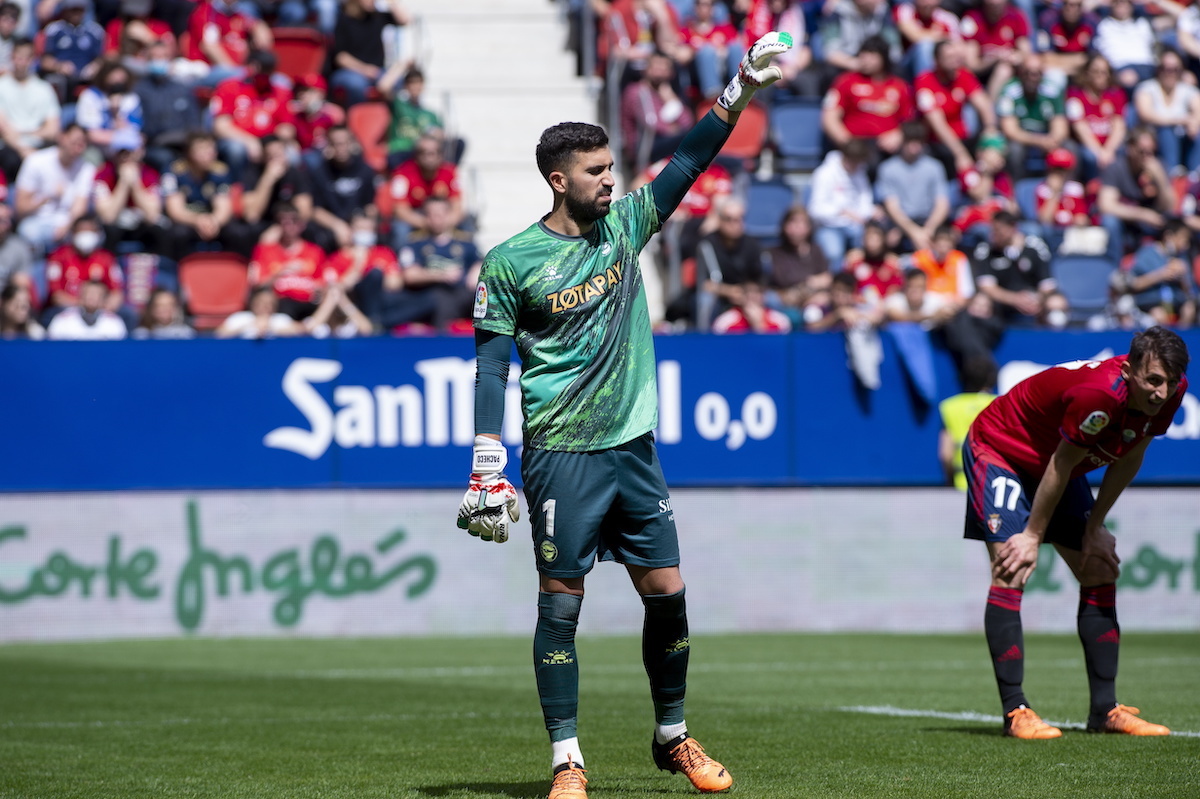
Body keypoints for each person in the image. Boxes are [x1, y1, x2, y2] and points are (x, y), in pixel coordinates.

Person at [457, 31, 792, 799]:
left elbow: (689, 161)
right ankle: (567, 760)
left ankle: (672, 735)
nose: (610, 180)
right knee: (561, 605)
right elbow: (491, 363)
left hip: (633, 448)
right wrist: (485, 456)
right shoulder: (510, 262)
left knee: (667, 591)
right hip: (561, 453)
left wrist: (738, 89)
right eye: (595, 171)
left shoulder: (627, 224)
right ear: (558, 179)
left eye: (611, 168)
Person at [963, 326, 1188, 739]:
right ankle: (1016, 712)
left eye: (1171, 382)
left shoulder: (1171, 393)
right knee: (1012, 567)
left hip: (1054, 462)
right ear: (1130, 370)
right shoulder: (1099, 395)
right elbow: (1062, 464)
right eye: (1154, 380)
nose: (1161, 392)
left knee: (1098, 566)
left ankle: (1105, 711)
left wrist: (1095, 526)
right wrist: (1032, 536)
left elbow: (1130, 456)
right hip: (1002, 449)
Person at [820, 35, 913, 160]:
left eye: (872, 56)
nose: (866, 60)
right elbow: (830, 118)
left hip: (888, 151)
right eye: (863, 55)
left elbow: (909, 120)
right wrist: (849, 144)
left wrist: (898, 135)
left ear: (884, 58)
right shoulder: (846, 81)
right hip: (854, 149)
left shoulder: (899, 86)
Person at [1096, 127, 1175, 266]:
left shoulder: (1159, 166)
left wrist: (1160, 179)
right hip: (1126, 223)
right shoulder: (1116, 167)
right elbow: (1106, 206)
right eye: (1142, 151)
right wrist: (1142, 214)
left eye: (1151, 152)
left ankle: (1166, 267)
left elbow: (1171, 207)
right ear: (1130, 149)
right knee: (1109, 221)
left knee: (1174, 223)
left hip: (1153, 225)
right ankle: (1115, 268)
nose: (1146, 157)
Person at [876, 121, 950, 253]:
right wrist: (914, 233)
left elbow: (942, 204)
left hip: (928, 222)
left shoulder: (934, 167)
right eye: (910, 141)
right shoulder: (888, 169)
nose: (914, 147)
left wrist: (928, 231)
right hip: (901, 224)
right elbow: (892, 207)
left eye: (918, 142)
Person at [996, 54, 1069, 181]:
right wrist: (1040, 141)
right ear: (1020, 73)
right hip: (1022, 138)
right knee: (1014, 150)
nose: (1032, 78)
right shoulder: (1009, 91)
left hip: (1046, 136)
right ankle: (1015, 187)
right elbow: (1010, 131)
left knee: (1069, 147)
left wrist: (1052, 140)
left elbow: (1060, 127)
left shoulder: (1053, 91)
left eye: (1036, 73)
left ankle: (1064, 188)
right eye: (1027, 73)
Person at [807, 137, 878, 267]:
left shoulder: (860, 172)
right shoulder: (824, 173)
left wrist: (868, 212)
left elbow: (865, 201)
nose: (857, 166)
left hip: (856, 225)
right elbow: (815, 209)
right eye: (854, 162)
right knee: (834, 252)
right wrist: (841, 212)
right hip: (829, 226)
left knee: (873, 245)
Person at [1131, 50, 1200, 179]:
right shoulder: (1147, 88)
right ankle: (1172, 175)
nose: (1170, 73)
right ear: (1159, 69)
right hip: (1156, 138)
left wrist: (1194, 123)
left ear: (1181, 71)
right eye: (1165, 68)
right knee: (1166, 131)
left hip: (1185, 139)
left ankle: (1194, 177)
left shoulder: (1188, 90)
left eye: (1174, 69)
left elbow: (1197, 111)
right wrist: (1181, 120)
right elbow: (1146, 114)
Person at [1123, 219, 1198, 328]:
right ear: (1169, 236)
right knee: (1159, 314)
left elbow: (1189, 292)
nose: (1186, 245)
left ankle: (1182, 337)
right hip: (1151, 303)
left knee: (1189, 309)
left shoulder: (1182, 258)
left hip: (1175, 302)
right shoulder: (1147, 254)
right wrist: (1161, 275)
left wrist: (1183, 277)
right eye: (1183, 239)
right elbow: (1134, 284)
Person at [937, 353, 996, 490]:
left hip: (961, 484)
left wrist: (950, 480)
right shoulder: (998, 404)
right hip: (991, 484)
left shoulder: (949, 406)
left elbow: (946, 455)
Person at [1065, 54, 1126, 181]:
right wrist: (1100, 152)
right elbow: (1080, 129)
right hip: (1087, 146)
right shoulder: (1075, 96)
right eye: (1096, 71)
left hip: (1109, 145)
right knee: (1090, 157)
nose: (1100, 76)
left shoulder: (1116, 94)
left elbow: (1119, 126)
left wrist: (1108, 150)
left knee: (1123, 151)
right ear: (1087, 73)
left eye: (1104, 72)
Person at [45, 278, 127, 339]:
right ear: (80, 295)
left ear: (103, 299)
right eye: (88, 293)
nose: (91, 297)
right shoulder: (63, 320)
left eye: (96, 294)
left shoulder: (114, 323)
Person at [215, 284, 303, 338]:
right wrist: (251, 326)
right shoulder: (240, 317)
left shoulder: (281, 319)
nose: (266, 307)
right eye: (262, 303)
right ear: (253, 303)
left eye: (270, 303)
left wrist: (270, 328)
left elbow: (300, 331)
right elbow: (220, 334)